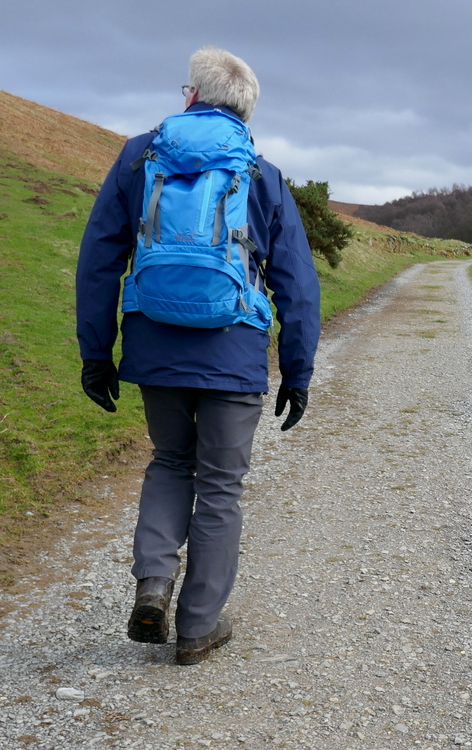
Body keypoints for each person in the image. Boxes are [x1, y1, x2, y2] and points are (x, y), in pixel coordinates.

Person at [75, 46, 320, 665]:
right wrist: (297, 371)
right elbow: (296, 281)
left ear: (191, 95)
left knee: (169, 461)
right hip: (233, 353)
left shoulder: (140, 157)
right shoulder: (261, 174)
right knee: (219, 486)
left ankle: (154, 583)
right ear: (245, 109)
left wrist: (96, 353)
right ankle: (198, 628)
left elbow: (99, 258)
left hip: (155, 343)